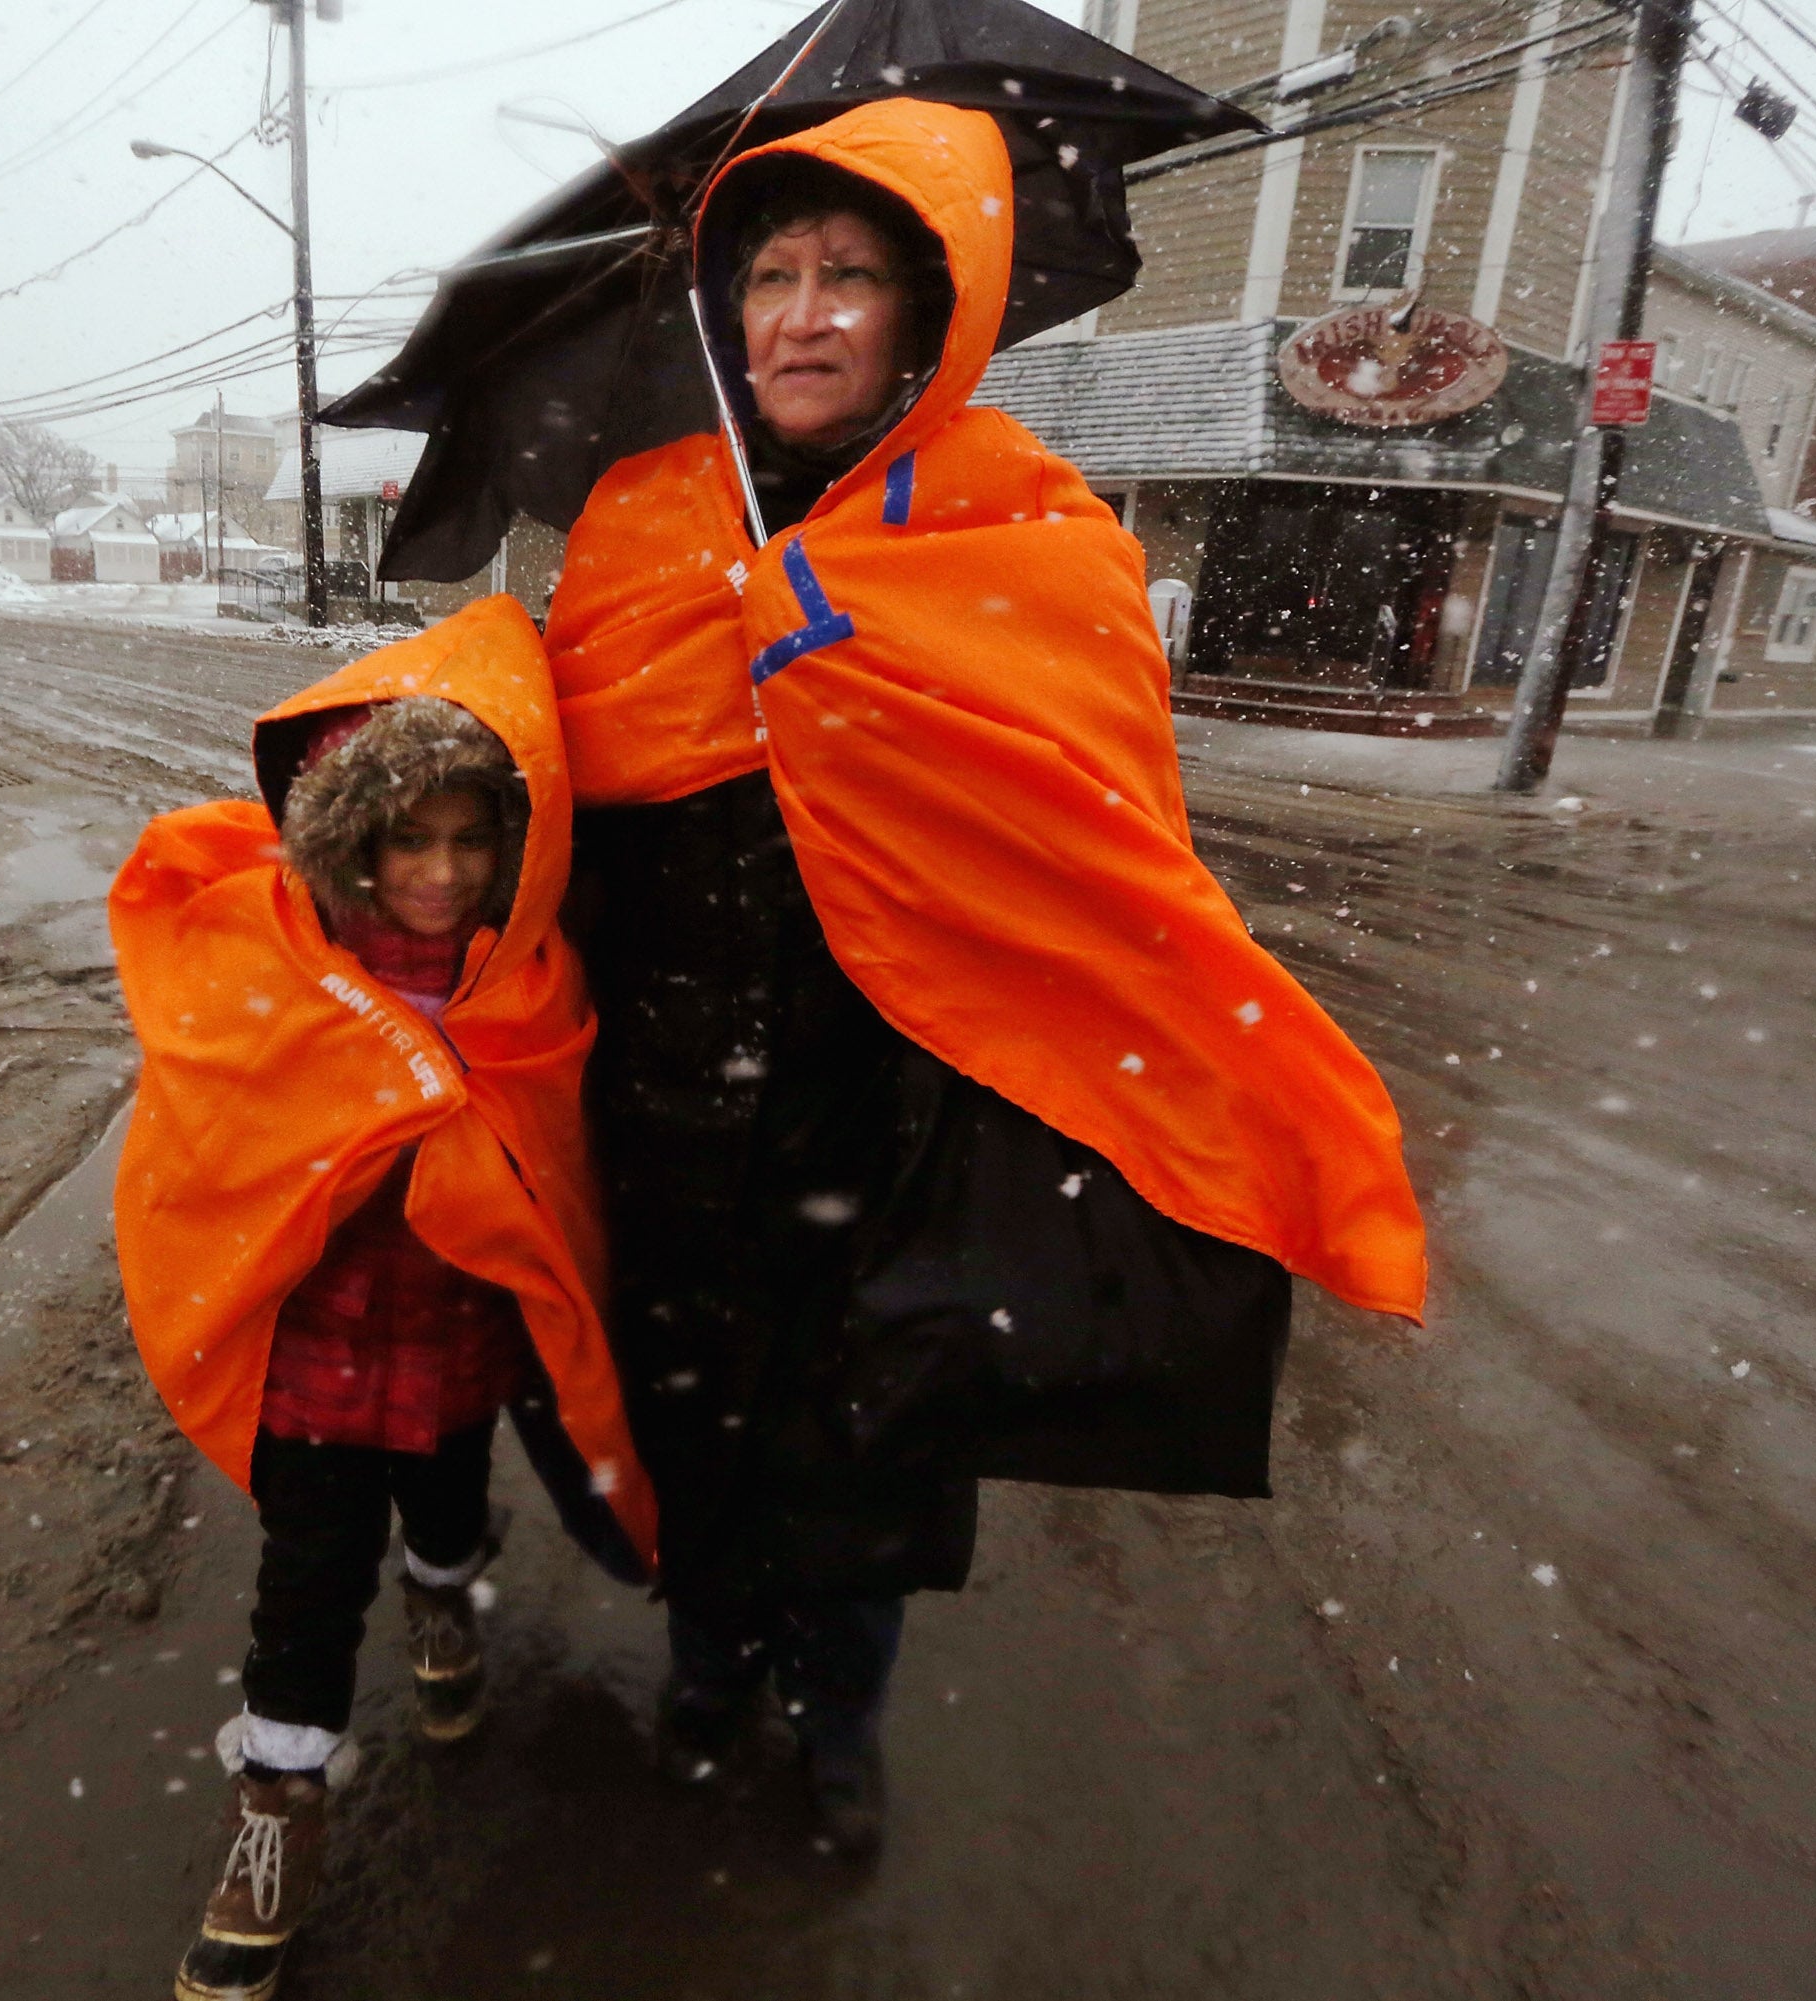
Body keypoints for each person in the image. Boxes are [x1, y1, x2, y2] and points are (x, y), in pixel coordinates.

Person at [546, 100, 1428, 1858]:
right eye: (770, 275)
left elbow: (1103, 851)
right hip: (668, 1108)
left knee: (869, 1444)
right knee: (692, 1430)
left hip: (896, 1117)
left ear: (927, 313)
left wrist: (832, 668)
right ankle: (711, 1665)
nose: (803, 315)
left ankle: (840, 1722)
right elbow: (559, 795)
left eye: (850, 275)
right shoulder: (644, 522)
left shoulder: (1021, 528)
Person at [110, 597, 656, 2001]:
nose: (443, 871)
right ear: (356, 836)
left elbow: (555, 1151)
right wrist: (356, 1135)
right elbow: (215, 1130)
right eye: (411, 838)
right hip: (318, 1342)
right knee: (306, 1582)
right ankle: (272, 1824)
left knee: (450, 1504)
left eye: (473, 840)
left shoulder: (533, 977)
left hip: (461, 1327)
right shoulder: (280, 959)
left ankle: (444, 1600)